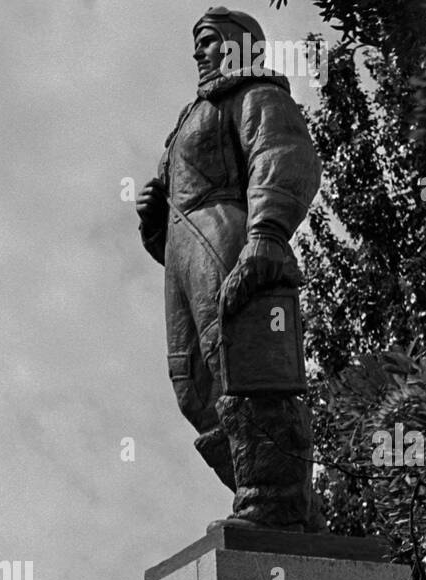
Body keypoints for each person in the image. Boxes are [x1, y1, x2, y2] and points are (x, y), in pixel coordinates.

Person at [137, 7, 324, 531]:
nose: (199, 52)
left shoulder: (256, 94)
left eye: (210, 40)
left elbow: (282, 154)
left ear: (242, 45)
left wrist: (266, 232)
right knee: (194, 384)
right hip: (185, 253)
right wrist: (157, 218)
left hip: (229, 233)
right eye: (197, 43)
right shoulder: (188, 120)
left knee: (245, 366)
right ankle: (279, 495)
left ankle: (274, 501)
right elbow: (174, 220)